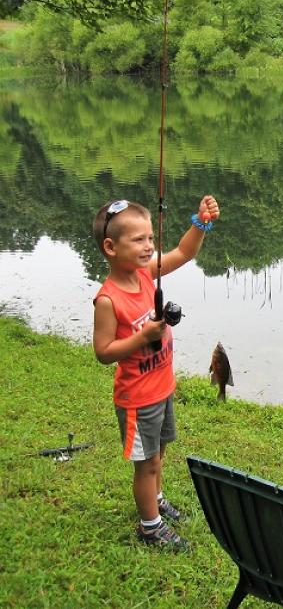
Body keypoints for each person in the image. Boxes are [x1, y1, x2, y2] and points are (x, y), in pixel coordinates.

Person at [92, 195, 220, 549]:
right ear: (110, 246)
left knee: (158, 455)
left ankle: (156, 499)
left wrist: (201, 222)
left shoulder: (146, 274)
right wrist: (142, 336)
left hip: (161, 388)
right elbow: (103, 352)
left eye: (150, 238)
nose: (149, 246)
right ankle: (150, 526)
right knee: (145, 464)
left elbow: (184, 253)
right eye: (138, 240)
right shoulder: (108, 299)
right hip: (137, 398)